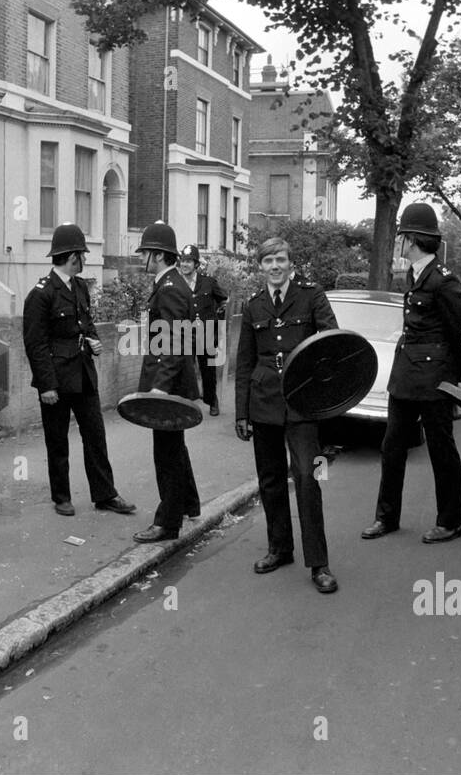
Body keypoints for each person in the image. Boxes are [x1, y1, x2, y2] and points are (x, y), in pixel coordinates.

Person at [363, 203, 461, 545]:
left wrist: (450, 378)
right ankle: (387, 517)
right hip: (405, 376)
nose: (399, 242)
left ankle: (452, 520)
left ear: (411, 240)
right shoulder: (414, 275)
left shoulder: (443, 281)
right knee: (392, 447)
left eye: (402, 237)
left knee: (441, 449)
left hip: (434, 381)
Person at [236, 236, 340, 594]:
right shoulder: (253, 305)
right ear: (260, 267)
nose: (275, 267)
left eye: (280, 260)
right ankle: (279, 548)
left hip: (302, 402)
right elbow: (245, 362)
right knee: (270, 480)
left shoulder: (311, 295)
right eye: (268, 261)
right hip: (264, 401)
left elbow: (331, 342)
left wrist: (323, 394)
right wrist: (241, 413)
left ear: (290, 264)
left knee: (309, 478)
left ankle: (319, 563)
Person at [22, 222, 136, 518]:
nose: (84, 259)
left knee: (95, 436)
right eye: (82, 255)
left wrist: (94, 341)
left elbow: (86, 324)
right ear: (73, 257)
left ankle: (105, 494)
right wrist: (46, 385)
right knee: (57, 440)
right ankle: (61, 497)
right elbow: (35, 344)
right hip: (57, 380)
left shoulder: (80, 287)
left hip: (84, 375)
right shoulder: (41, 294)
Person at [132, 220, 201, 543]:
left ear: (158, 255)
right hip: (172, 381)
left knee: (167, 454)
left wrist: (159, 386)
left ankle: (167, 523)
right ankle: (188, 504)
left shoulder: (170, 288)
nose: (141, 258)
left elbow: (174, 341)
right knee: (175, 448)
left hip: (168, 384)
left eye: (144, 252)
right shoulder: (172, 283)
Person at [176, 244, 229, 416]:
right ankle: (187, 403)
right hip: (185, 335)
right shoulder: (176, 284)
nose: (185, 264)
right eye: (183, 261)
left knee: (208, 371)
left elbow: (223, 300)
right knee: (186, 371)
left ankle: (212, 400)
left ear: (196, 264)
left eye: (189, 261)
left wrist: (219, 318)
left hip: (206, 335)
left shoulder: (208, 282)